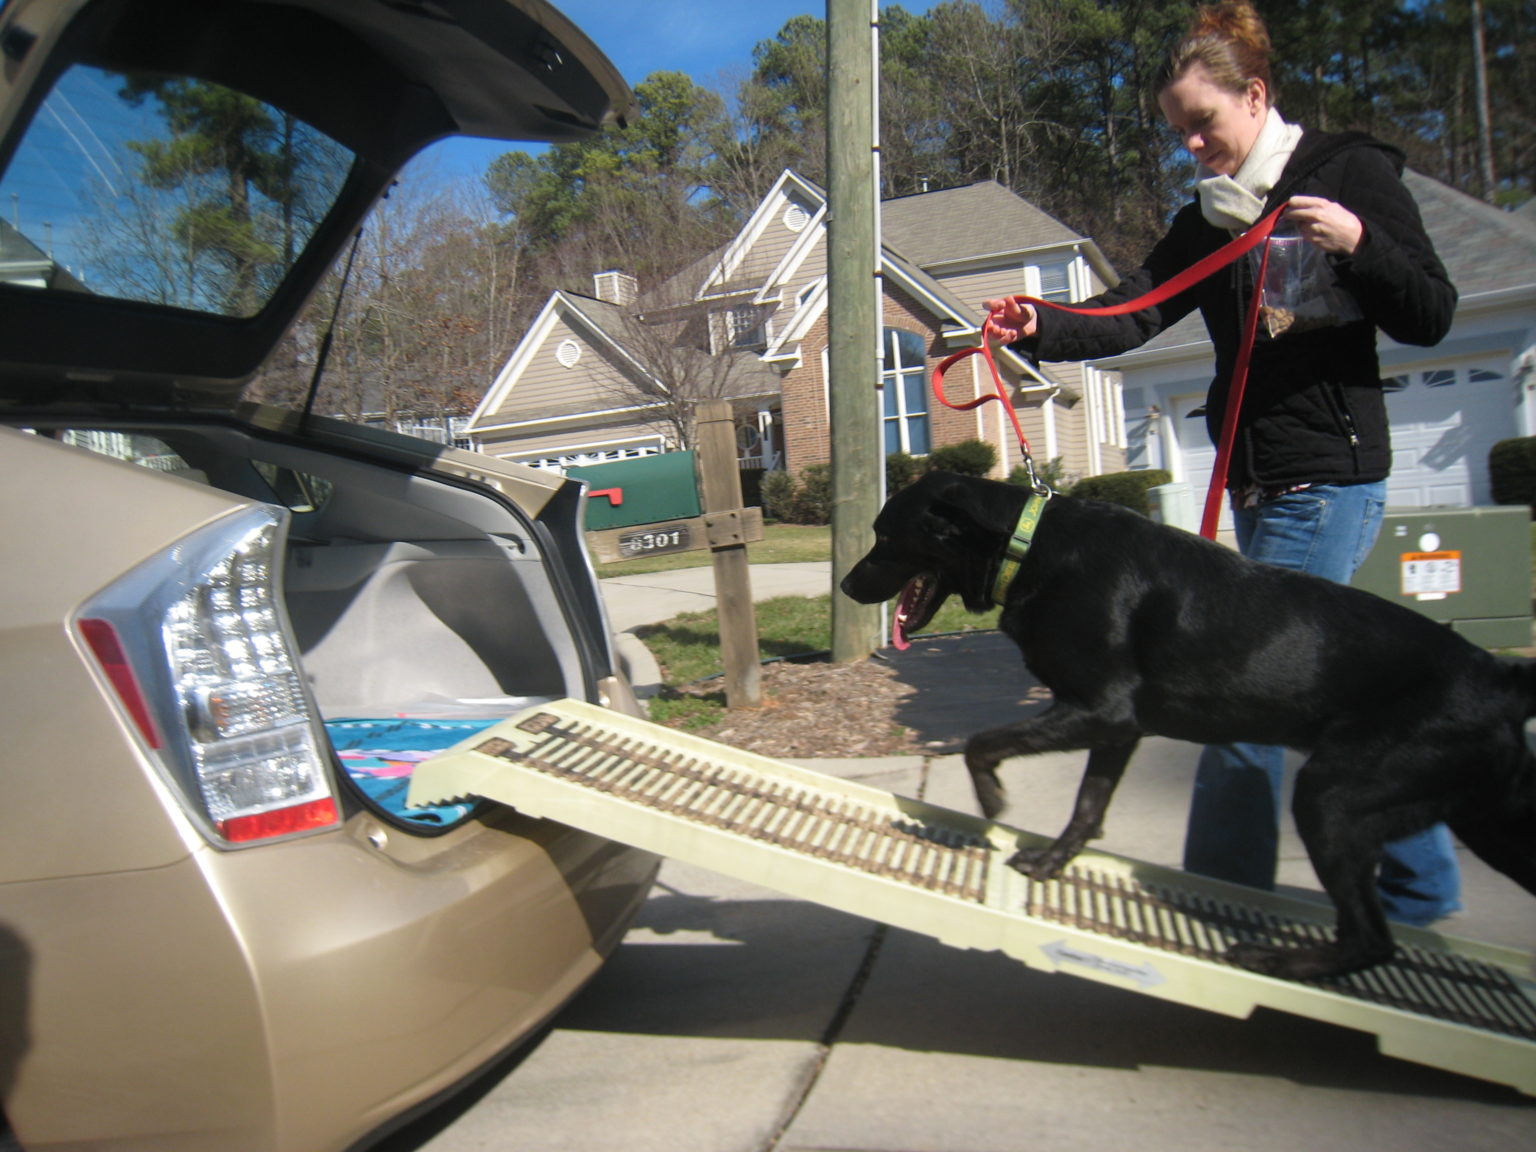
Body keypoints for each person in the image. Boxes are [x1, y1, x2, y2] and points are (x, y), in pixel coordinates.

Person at [984, 1, 1461, 924]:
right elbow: (1136, 310)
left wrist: (1360, 248)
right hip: (1259, 485)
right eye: (1179, 134)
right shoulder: (1211, 219)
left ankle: (1219, 902)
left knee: (1235, 700)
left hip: (1327, 480)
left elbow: (1430, 311)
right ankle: (1422, 883)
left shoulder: (1346, 174)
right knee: (1328, 695)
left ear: (1255, 94)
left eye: (1203, 125)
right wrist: (1043, 325)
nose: (1193, 148)